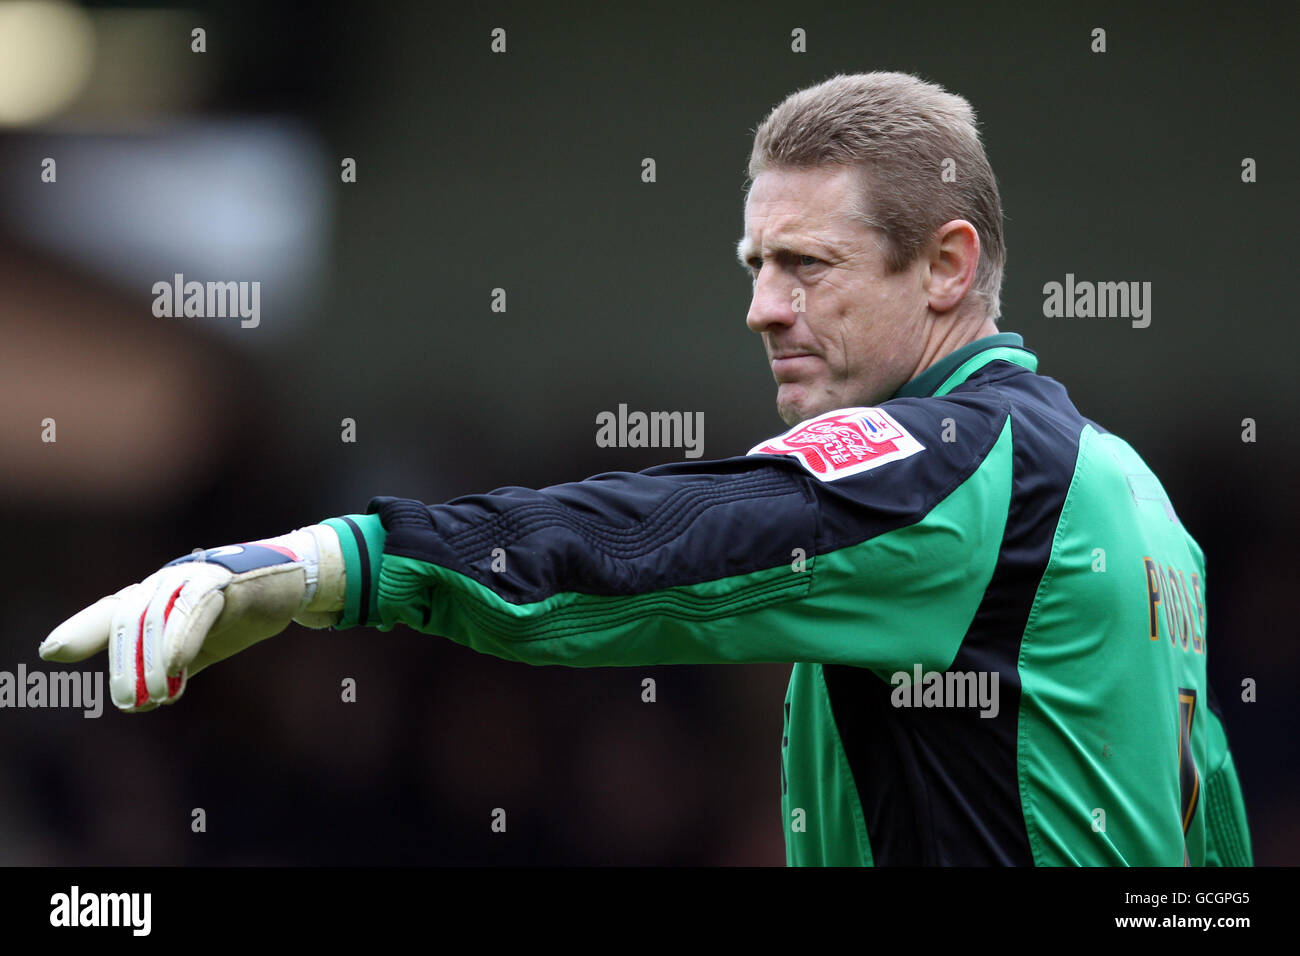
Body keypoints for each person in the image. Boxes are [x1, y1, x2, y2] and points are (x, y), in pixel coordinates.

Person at [42, 72, 1252, 866]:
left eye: (806, 265)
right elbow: (1213, 846)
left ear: (946, 266)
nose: (761, 308)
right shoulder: (1134, 497)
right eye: (753, 264)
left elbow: (663, 535)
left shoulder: (957, 467)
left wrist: (329, 563)